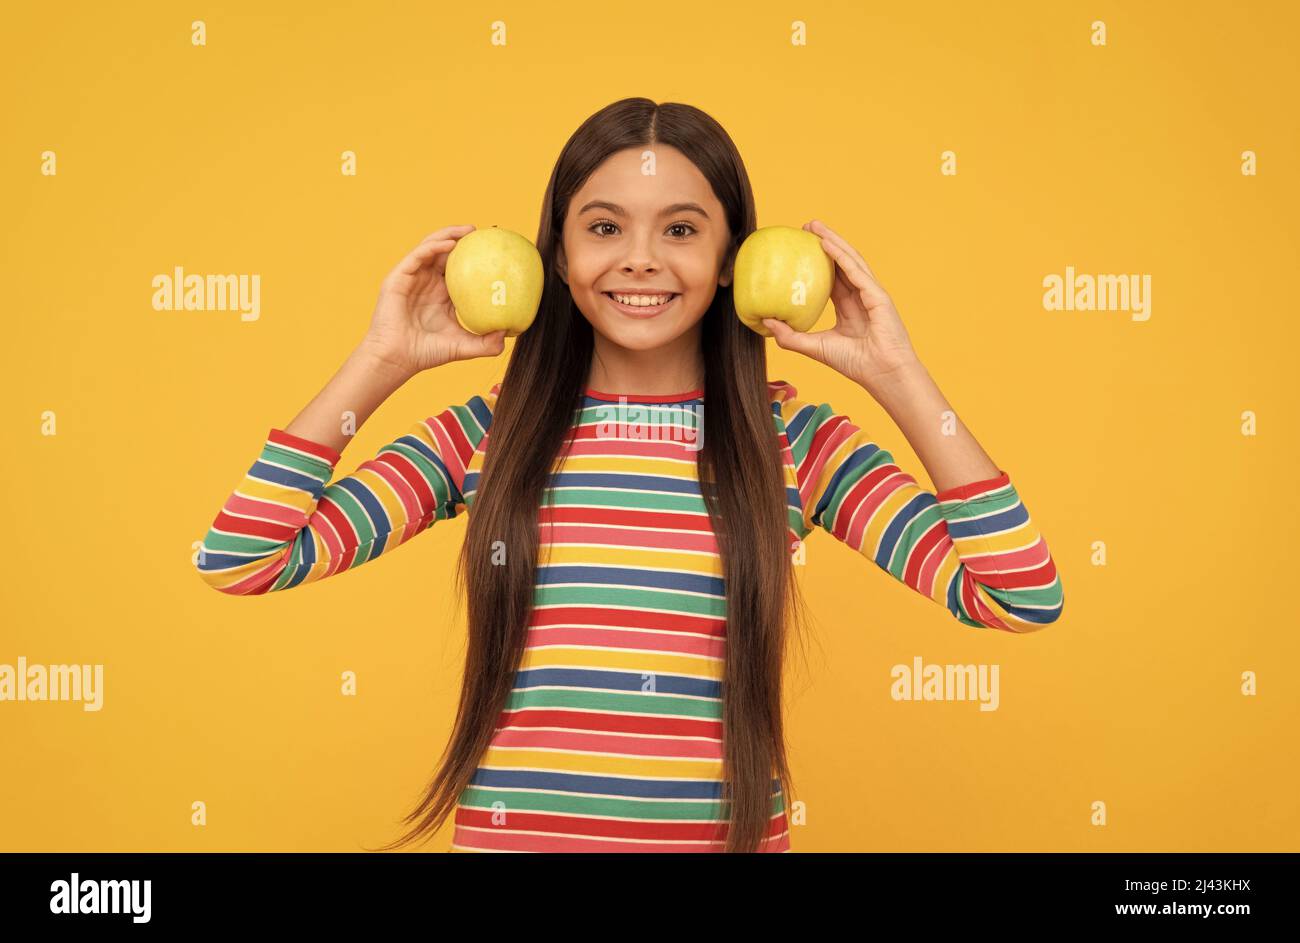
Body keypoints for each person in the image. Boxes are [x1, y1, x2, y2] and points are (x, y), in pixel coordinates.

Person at [194, 97, 1064, 853]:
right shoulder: (488, 434)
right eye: (605, 227)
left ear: (730, 258)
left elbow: (1019, 594)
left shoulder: (792, 439)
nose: (640, 259)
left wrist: (894, 372)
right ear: (559, 256)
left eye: (681, 229)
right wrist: (383, 358)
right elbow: (242, 558)